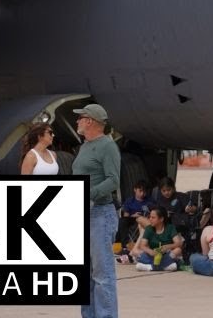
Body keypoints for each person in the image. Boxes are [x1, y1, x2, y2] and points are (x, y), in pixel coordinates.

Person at [74, 103, 121, 318]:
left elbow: (113, 180)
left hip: (100, 214)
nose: (77, 121)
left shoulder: (107, 146)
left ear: (90, 121)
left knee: (103, 276)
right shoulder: (85, 146)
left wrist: (88, 193)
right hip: (83, 215)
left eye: (80, 117)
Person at [133, 205, 184, 271]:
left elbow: (178, 243)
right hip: (152, 256)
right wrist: (150, 251)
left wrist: (167, 247)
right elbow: (142, 245)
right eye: (150, 217)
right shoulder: (149, 228)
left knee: (178, 250)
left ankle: (150, 267)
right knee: (136, 252)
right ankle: (164, 267)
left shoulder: (170, 228)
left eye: (153, 217)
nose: (150, 219)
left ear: (161, 219)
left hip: (165, 255)